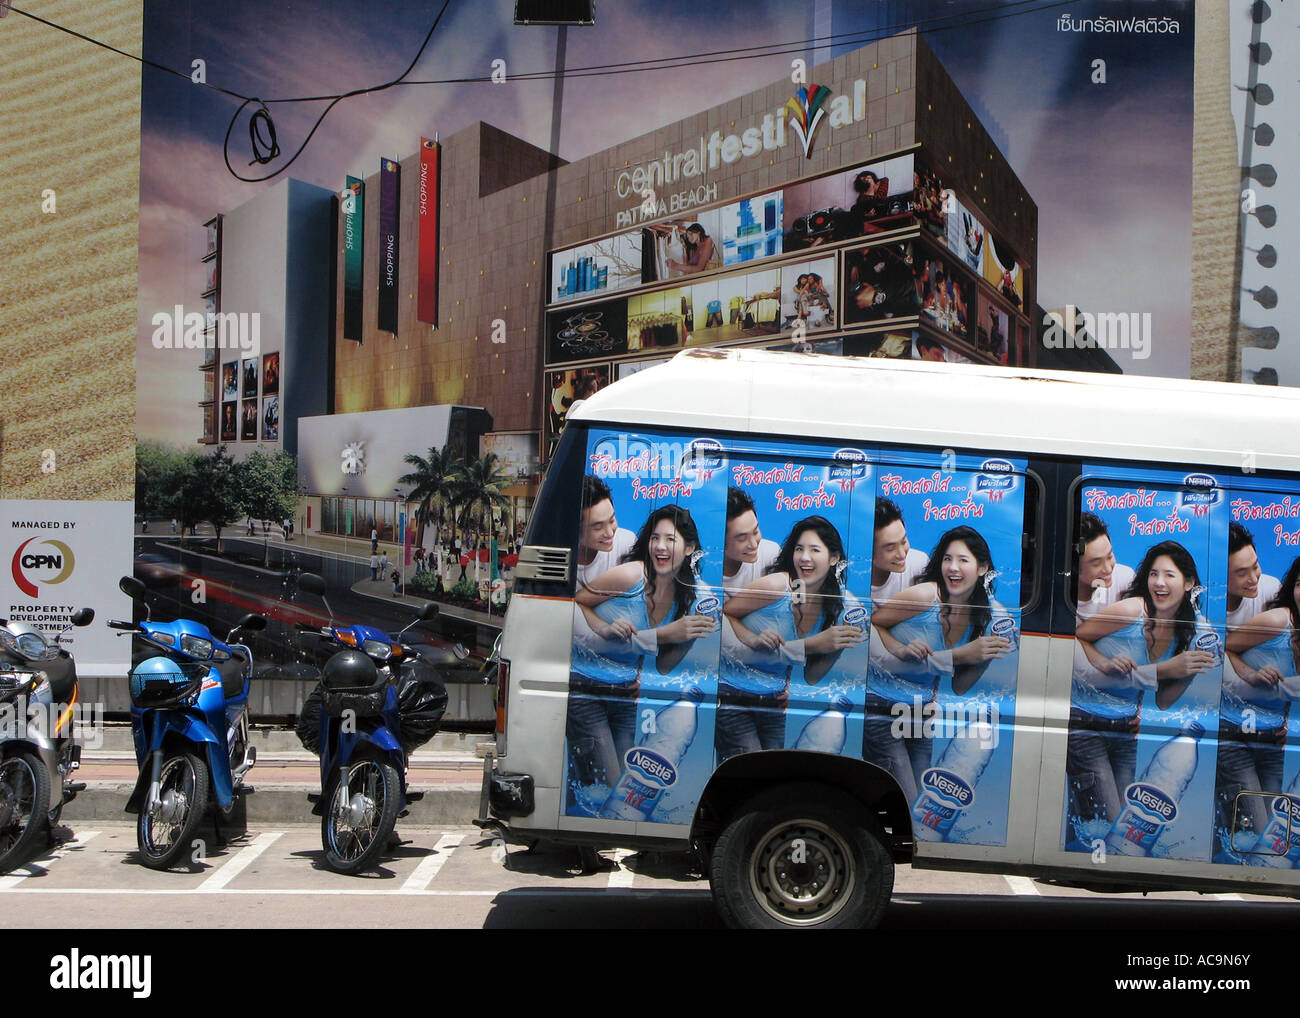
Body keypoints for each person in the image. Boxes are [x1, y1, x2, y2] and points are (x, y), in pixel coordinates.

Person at [1068, 540, 1216, 841]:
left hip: (1125, 731)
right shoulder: (1132, 610)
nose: (1159, 583)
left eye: (1169, 575)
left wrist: (1190, 668)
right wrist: (1104, 663)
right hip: (1085, 723)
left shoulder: (1189, 630)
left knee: (1118, 823)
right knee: (1109, 824)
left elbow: (1163, 701)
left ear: (1188, 583)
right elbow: (1075, 638)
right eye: (1153, 574)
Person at [567, 505, 717, 797]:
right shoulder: (631, 576)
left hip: (625, 694)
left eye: (670, 540)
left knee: (624, 788)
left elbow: (663, 665)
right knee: (608, 785)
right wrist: (602, 628)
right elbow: (577, 602)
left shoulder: (690, 597)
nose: (660, 547)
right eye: (654, 538)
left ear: (689, 549)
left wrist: (688, 636)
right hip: (587, 687)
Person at [863, 525, 1012, 801]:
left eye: (962, 560)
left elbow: (958, 685)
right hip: (883, 707)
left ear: (982, 568)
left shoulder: (985, 615)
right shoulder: (925, 596)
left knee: (923, 802)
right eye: (947, 559)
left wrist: (985, 656)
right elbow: (872, 623)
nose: (952, 568)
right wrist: (900, 648)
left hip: (921, 712)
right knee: (907, 801)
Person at [718, 516, 864, 761]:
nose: (804, 557)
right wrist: (752, 638)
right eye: (799, 549)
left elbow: (811, 676)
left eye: (814, 550)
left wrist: (839, 643)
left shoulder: (838, 604)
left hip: (775, 702)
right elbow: (724, 616)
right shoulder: (778, 585)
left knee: (777, 773)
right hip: (734, 696)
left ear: (834, 558)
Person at [1219, 551, 1300, 847]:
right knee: (1260, 830)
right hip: (1235, 734)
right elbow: (1223, 649)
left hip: (1273, 741)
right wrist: (1249, 674)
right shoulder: (1279, 621)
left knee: (1273, 836)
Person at [575, 475, 636, 589]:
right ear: (574, 529)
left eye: (612, 520)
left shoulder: (627, 543)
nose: (610, 533)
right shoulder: (558, 562)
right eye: (598, 527)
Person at [720, 487, 780, 598]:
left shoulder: (771, 554)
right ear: (719, 540)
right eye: (742, 538)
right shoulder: (702, 570)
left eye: (755, 531)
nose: (753, 544)